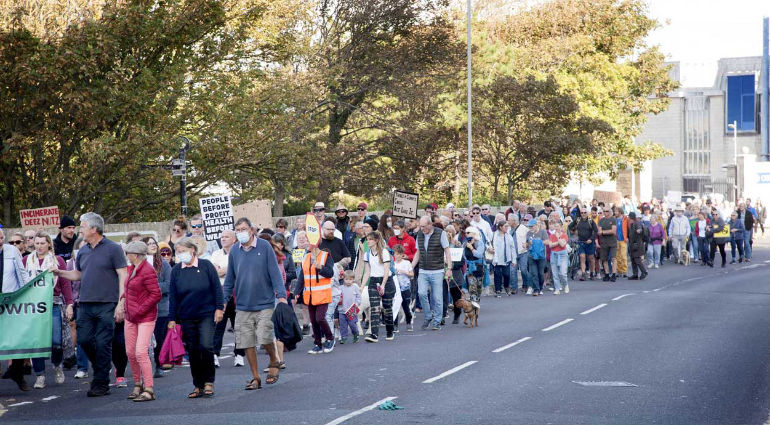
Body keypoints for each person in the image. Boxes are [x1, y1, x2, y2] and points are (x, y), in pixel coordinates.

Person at [52, 213, 127, 397]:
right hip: (85, 304)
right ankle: (101, 367)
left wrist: (121, 303)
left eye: (83, 226)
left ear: (94, 229)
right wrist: (59, 272)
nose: (80, 230)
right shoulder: (83, 251)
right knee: (84, 340)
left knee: (103, 343)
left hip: (106, 304)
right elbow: (78, 274)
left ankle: (101, 383)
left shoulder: (113, 249)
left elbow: (123, 276)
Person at [223, 218, 286, 389]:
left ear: (251, 230)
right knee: (247, 342)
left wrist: (281, 296)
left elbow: (275, 273)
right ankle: (256, 377)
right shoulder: (235, 251)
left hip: (265, 302)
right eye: (238, 229)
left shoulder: (264, 247)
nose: (241, 232)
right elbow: (230, 278)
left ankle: (274, 360)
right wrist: (223, 301)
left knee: (265, 336)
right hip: (242, 305)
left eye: (243, 229)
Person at [166, 238, 223, 398]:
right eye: (178, 251)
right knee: (193, 350)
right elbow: (173, 296)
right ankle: (197, 384)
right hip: (186, 315)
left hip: (206, 313)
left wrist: (219, 308)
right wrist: (172, 318)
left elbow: (216, 288)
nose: (180, 254)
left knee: (205, 346)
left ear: (192, 250)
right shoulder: (177, 270)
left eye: (183, 250)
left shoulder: (206, 265)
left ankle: (208, 382)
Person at [22, 232, 74, 389]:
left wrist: (70, 304)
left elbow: (65, 284)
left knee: (56, 341)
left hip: (54, 303)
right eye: (36, 243)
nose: (38, 246)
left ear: (49, 245)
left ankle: (57, 365)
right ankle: (40, 375)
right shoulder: (26, 260)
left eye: (42, 243)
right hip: (34, 306)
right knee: (36, 341)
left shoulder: (57, 261)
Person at [121, 241, 161, 402]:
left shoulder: (147, 270)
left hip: (145, 317)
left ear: (135, 255)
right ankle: (138, 383)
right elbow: (128, 290)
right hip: (130, 317)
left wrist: (139, 309)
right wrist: (122, 302)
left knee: (140, 352)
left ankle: (149, 388)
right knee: (130, 352)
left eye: (128, 253)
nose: (126, 255)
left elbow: (156, 294)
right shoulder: (131, 269)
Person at [1, 228, 33, 391]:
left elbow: (22, 274)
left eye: (1, 238)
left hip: (12, 301)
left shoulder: (12, 251)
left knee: (20, 339)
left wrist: (26, 294)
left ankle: (17, 372)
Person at [411, 216, 452, 331]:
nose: (421, 228)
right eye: (420, 226)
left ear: (430, 224)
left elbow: (447, 251)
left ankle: (437, 321)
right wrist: (412, 266)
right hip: (423, 270)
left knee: (437, 298)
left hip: (437, 270)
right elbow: (418, 252)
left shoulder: (440, 233)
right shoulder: (419, 234)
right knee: (421, 293)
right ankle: (428, 316)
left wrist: (449, 268)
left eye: (423, 226)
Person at [210, 230, 244, 367]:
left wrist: (224, 270)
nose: (223, 239)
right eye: (222, 237)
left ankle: (239, 354)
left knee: (239, 326)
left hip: (237, 293)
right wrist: (226, 270)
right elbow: (214, 271)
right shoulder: (216, 254)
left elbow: (237, 270)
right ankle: (214, 354)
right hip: (221, 293)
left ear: (234, 239)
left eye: (226, 237)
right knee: (218, 326)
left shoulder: (239, 253)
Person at [296, 238, 335, 354]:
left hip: (322, 294)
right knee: (313, 320)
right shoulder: (306, 257)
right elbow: (302, 276)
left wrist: (320, 268)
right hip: (310, 295)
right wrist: (297, 291)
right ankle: (317, 344)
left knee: (320, 318)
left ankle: (330, 338)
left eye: (308, 242)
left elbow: (330, 273)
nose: (305, 244)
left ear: (315, 243)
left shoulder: (325, 256)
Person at [140, 236, 172, 378]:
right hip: (143, 308)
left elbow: (169, 285)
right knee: (144, 340)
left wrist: (151, 288)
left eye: (154, 243)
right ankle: (145, 366)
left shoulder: (163, 264)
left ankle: (159, 365)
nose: (153, 245)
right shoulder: (139, 264)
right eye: (149, 244)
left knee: (159, 339)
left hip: (161, 308)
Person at [361, 231, 396, 342]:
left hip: (386, 281)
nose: (368, 241)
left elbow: (386, 270)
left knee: (387, 308)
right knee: (374, 308)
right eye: (367, 239)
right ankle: (374, 334)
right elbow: (367, 272)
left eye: (370, 239)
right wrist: (361, 287)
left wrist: (383, 285)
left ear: (376, 240)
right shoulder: (367, 254)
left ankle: (390, 331)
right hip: (373, 281)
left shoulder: (384, 252)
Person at [319, 220, 351, 332]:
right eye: (329, 229)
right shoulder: (318, 243)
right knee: (325, 309)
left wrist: (337, 265)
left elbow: (348, 258)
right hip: (322, 279)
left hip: (338, 278)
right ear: (323, 229)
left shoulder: (339, 242)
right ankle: (327, 332)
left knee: (339, 306)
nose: (331, 232)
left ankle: (339, 330)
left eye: (333, 229)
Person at [569, 208, 598, 281]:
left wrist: (591, 239)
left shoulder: (590, 221)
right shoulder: (577, 220)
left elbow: (596, 231)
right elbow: (569, 226)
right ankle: (583, 274)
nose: (583, 214)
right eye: (582, 213)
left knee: (591, 258)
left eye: (585, 212)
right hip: (581, 242)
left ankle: (591, 273)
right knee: (582, 257)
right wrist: (573, 231)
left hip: (589, 243)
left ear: (587, 213)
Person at [392, 244, 414, 331]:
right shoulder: (392, 264)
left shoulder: (406, 263)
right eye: (395, 254)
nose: (396, 256)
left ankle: (409, 322)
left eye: (398, 254)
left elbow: (412, 274)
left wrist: (403, 271)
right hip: (395, 289)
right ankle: (395, 325)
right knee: (395, 306)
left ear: (402, 254)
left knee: (406, 307)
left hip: (405, 288)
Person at [491, 219, 515, 297]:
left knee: (507, 274)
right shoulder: (494, 235)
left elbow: (513, 248)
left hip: (506, 259)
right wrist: (490, 249)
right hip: (497, 259)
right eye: (505, 226)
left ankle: (506, 287)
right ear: (501, 227)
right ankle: (498, 290)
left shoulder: (509, 236)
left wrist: (514, 260)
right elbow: (488, 244)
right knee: (497, 275)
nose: (507, 228)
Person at [338, 270, 361, 344]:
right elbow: (338, 297)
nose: (348, 281)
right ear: (343, 279)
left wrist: (357, 303)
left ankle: (356, 334)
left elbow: (359, 297)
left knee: (352, 324)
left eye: (350, 279)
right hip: (342, 310)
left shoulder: (355, 287)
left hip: (352, 310)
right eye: (346, 279)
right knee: (343, 325)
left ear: (353, 279)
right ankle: (343, 337)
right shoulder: (340, 287)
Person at [548, 218, 570, 294]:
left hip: (562, 254)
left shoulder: (564, 235)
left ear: (561, 227)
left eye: (558, 226)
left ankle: (565, 284)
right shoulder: (551, 236)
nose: (556, 228)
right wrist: (558, 242)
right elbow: (550, 245)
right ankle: (557, 288)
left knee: (563, 273)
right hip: (554, 254)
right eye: (555, 226)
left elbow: (563, 244)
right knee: (555, 273)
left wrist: (558, 238)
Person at [527, 219, 547, 295]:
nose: (530, 228)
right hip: (531, 256)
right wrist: (526, 244)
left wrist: (537, 242)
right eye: (529, 226)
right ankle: (536, 290)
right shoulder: (529, 233)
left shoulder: (543, 232)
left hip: (541, 257)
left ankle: (540, 287)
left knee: (541, 274)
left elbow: (547, 241)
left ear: (536, 225)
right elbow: (527, 242)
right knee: (534, 273)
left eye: (531, 226)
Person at [597, 207, 618, 282]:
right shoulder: (601, 220)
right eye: (604, 211)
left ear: (610, 212)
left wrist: (603, 232)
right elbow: (599, 231)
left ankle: (614, 274)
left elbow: (613, 231)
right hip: (604, 242)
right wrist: (605, 232)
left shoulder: (613, 219)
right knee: (604, 259)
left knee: (613, 258)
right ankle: (606, 274)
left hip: (612, 242)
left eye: (607, 211)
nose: (606, 212)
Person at [627, 212, 648, 280]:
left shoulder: (637, 223)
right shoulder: (631, 224)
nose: (628, 218)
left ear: (631, 217)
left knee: (637, 259)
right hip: (632, 244)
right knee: (633, 259)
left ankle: (644, 271)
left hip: (637, 244)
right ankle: (635, 274)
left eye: (629, 217)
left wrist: (639, 230)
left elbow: (640, 229)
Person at [614, 208, 629, 278]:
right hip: (617, 240)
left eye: (616, 211)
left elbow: (628, 228)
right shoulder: (614, 219)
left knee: (623, 256)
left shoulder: (625, 219)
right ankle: (619, 271)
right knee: (618, 257)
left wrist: (627, 237)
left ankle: (625, 271)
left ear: (620, 212)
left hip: (623, 240)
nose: (615, 212)